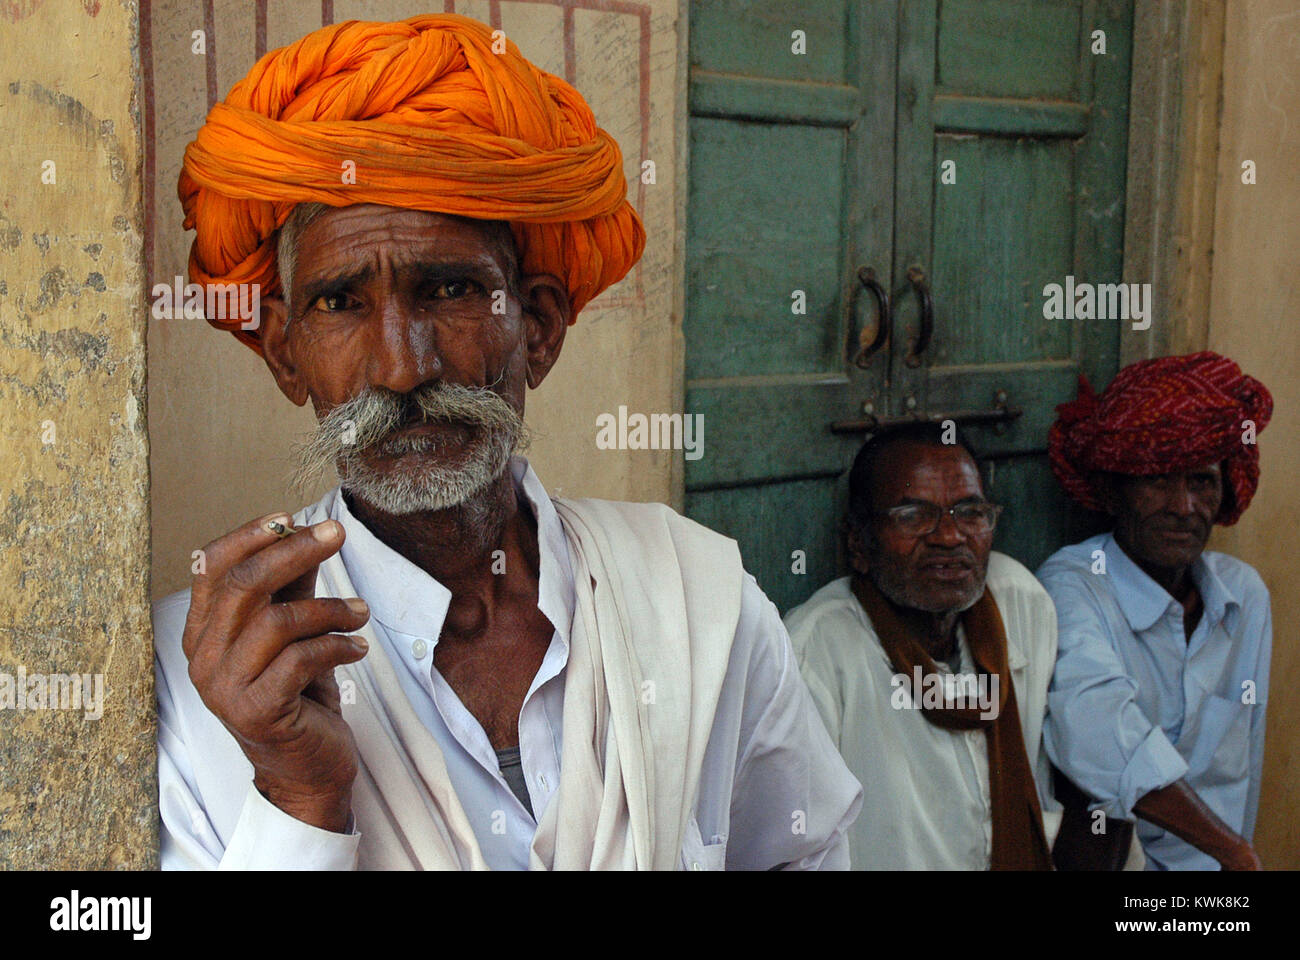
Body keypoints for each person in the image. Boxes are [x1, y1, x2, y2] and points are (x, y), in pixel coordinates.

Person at [154, 13, 861, 870]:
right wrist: (301, 798)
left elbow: (804, 853)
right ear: (284, 354)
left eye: (448, 289)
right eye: (341, 303)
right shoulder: (210, 672)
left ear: (539, 326)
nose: (403, 370)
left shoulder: (696, 599)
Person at [786, 422, 1060, 869]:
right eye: (913, 517)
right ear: (858, 543)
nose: (949, 538)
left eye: (970, 513)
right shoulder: (818, 653)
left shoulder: (1021, 604)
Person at [1039, 351, 1273, 870]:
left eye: (1201, 481)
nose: (1183, 506)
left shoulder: (1243, 596)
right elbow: (1097, 729)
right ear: (1110, 490)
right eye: (1158, 480)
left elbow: (1245, 772)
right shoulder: (1074, 582)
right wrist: (1232, 852)